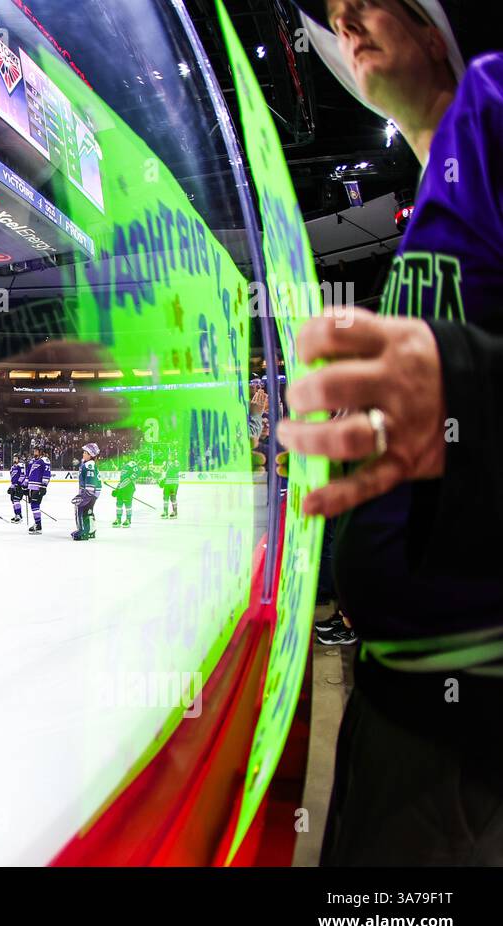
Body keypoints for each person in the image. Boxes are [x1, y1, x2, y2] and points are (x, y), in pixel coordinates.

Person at [279, 0, 503, 864]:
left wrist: (459, 385)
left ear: (434, 22)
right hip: (395, 694)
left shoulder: (489, 105)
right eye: (336, 14)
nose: (347, 17)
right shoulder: (426, 209)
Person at [71, 443, 102, 541]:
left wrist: (86, 494)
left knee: (81, 507)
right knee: (88, 511)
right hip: (93, 492)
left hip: (89, 492)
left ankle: (83, 531)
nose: (83, 454)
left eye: (85, 452)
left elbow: (90, 480)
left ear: (90, 455)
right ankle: (91, 531)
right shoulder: (89, 464)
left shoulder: (89, 465)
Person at [25, 443, 51, 535]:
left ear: (41, 452)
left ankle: (38, 526)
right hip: (31, 487)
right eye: (34, 450)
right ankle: (37, 524)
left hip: (38, 486)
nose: (34, 452)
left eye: (36, 451)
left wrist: (44, 486)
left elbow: (47, 473)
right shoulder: (32, 461)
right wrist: (25, 485)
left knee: (35, 505)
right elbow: (28, 473)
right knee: (33, 506)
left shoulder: (44, 460)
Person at [111, 458, 139, 528]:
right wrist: (117, 489)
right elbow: (121, 480)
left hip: (129, 488)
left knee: (127, 504)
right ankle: (118, 519)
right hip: (121, 489)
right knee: (119, 504)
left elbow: (138, 472)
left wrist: (130, 479)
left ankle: (128, 520)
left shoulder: (131, 463)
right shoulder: (124, 466)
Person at [8, 457, 26, 523]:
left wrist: (19, 484)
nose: (14, 460)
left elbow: (23, 476)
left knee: (16, 500)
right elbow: (12, 478)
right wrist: (11, 487)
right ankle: (16, 515)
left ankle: (19, 516)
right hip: (13, 486)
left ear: (18, 459)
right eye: (14, 458)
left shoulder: (21, 466)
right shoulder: (12, 468)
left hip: (19, 486)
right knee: (13, 501)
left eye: (16, 458)